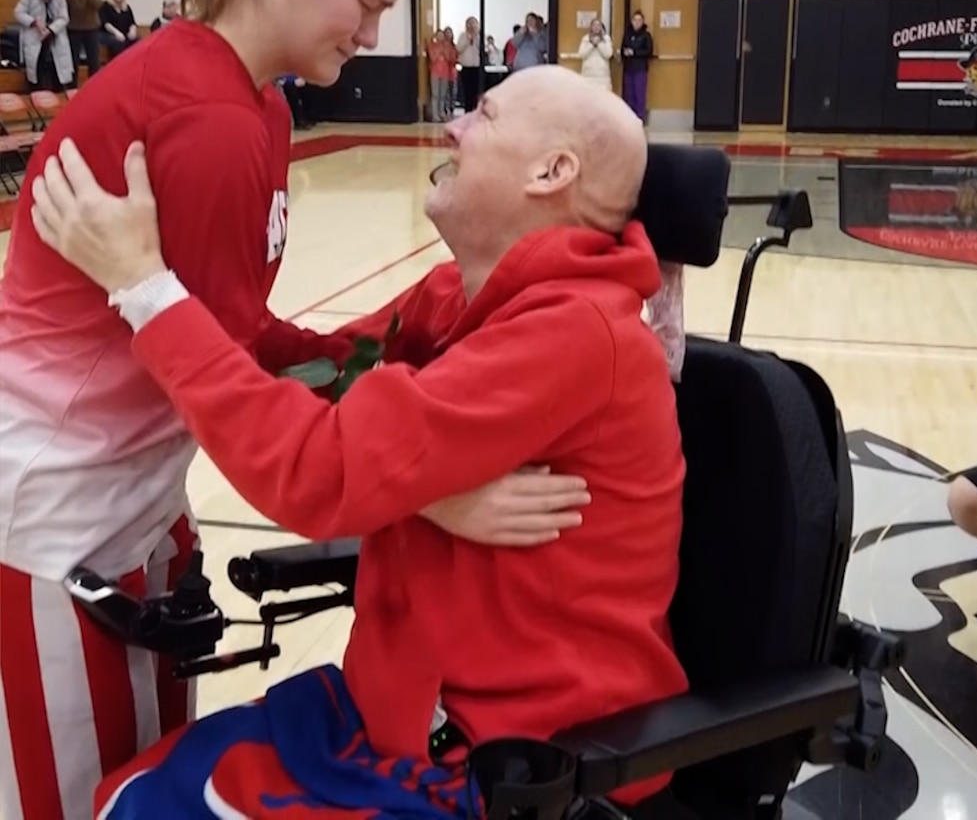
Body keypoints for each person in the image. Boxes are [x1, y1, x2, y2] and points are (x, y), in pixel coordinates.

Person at [0, 0, 583, 820]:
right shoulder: (207, 119)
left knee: (136, 785)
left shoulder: (259, 105)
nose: (376, 31)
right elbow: (229, 392)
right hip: (58, 519)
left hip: (133, 497)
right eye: (367, 2)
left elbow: (236, 339)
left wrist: (387, 356)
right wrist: (426, 489)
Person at [30, 64, 689, 818]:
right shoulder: (463, 295)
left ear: (552, 171)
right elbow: (320, 375)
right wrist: (429, 493)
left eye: (485, 114)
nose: (453, 126)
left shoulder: (576, 334)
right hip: (402, 714)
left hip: (508, 764)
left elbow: (321, 469)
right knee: (128, 796)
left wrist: (146, 291)